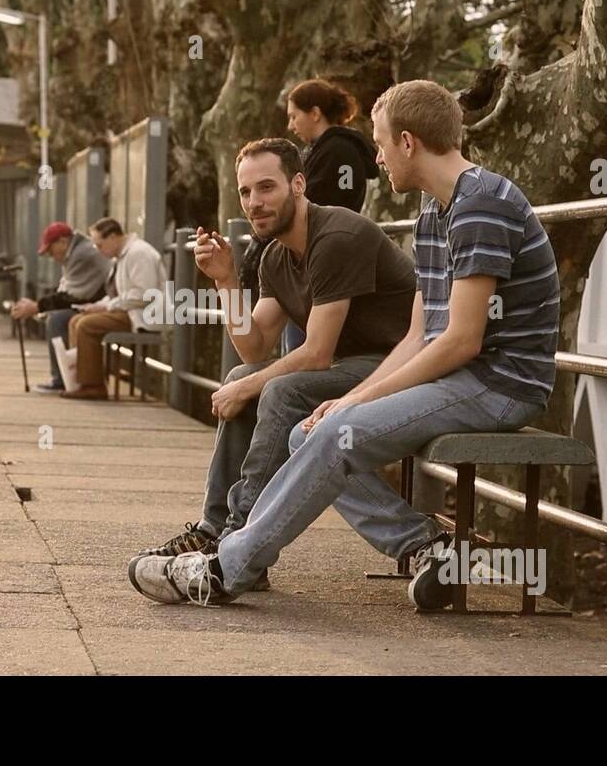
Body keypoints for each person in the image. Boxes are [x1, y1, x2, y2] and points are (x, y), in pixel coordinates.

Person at [127, 79, 561, 610]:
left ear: (407, 141)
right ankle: (432, 547)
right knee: (307, 433)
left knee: (327, 427)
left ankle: (226, 565)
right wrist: (225, 282)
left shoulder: (482, 206)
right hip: (453, 373)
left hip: (501, 384)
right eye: (246, 192)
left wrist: (355, 399)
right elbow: (419, 335)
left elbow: (463, 340)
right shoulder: (432, 212)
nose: (375, 158)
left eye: (378, 144)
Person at [131, 137, 419, 592]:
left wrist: (248, 389)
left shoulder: (337, 235)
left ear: (298, 184)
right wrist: (225, 279)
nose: (254, 203)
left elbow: (317, 353)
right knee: (242, 377)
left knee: (276, 389)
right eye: (246, 192)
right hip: (354, 368)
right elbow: (255, 348)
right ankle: (213, 530)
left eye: (266, 188)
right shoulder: (275, 256)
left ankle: (234, 544)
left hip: (399, 369)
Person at [242, 78, 381, 353]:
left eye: (294, 116)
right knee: (286, 358)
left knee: (299, 359)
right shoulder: (322, 151)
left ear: (315, 113)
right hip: (303, 262)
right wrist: (226, 282)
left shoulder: (339, 151)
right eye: (245, 192)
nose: (291, 125)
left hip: (317, 266)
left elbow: (332, 203)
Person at [58, 218, 168, 400]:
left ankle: (93, 385)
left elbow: (144, 294)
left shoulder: (138, 253)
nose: (98, 250)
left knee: (86, 325)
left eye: (99, 245)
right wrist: (98, 305)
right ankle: (79, 380)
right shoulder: (123, 255)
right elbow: (120, 293)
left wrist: (106, 306)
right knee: (76, 320)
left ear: (113, 237)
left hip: (145, 315)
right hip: (132, 311)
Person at [9, 221, 113, 393]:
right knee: (60, 317)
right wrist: (39, 305)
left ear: (63, 242)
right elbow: (67, 291)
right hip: (99, 302)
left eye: (51, 250)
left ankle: (62, 381)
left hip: (105, 304)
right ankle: (71, 378)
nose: (51, 256)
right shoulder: (74, 253)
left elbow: (74, 296)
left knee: (57, 320)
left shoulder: (81, 254)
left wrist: (37, 306)